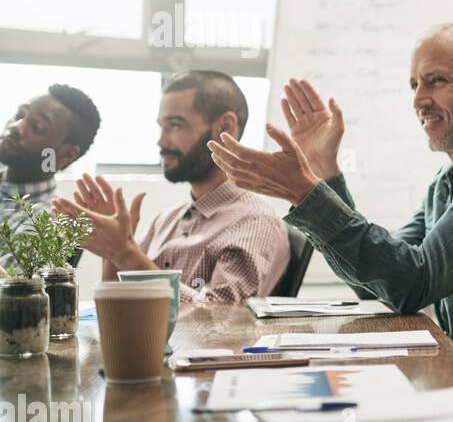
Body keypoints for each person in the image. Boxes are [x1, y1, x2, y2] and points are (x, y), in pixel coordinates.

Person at [207, 23, 453, 375]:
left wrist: (305, 192)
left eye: (436, 81)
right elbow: (382, 284)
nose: (419, 99)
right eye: (414, 84)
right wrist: (324, 171)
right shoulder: (451, 177)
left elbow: (411, 283)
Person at [53, 70, 288, 303]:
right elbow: (122, 306)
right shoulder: (167, 220)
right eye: (161, 126)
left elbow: (221, 322)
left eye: (175, 125)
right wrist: (112, 251)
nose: (161, 141)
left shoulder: (254, 222)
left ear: (225, 127)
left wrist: (125, 253)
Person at [1, 84, 100, 271]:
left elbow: (9, 293)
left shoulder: (49, 225)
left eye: (37, 127)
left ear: (65, 156)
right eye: (19, 115)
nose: (15, 127)